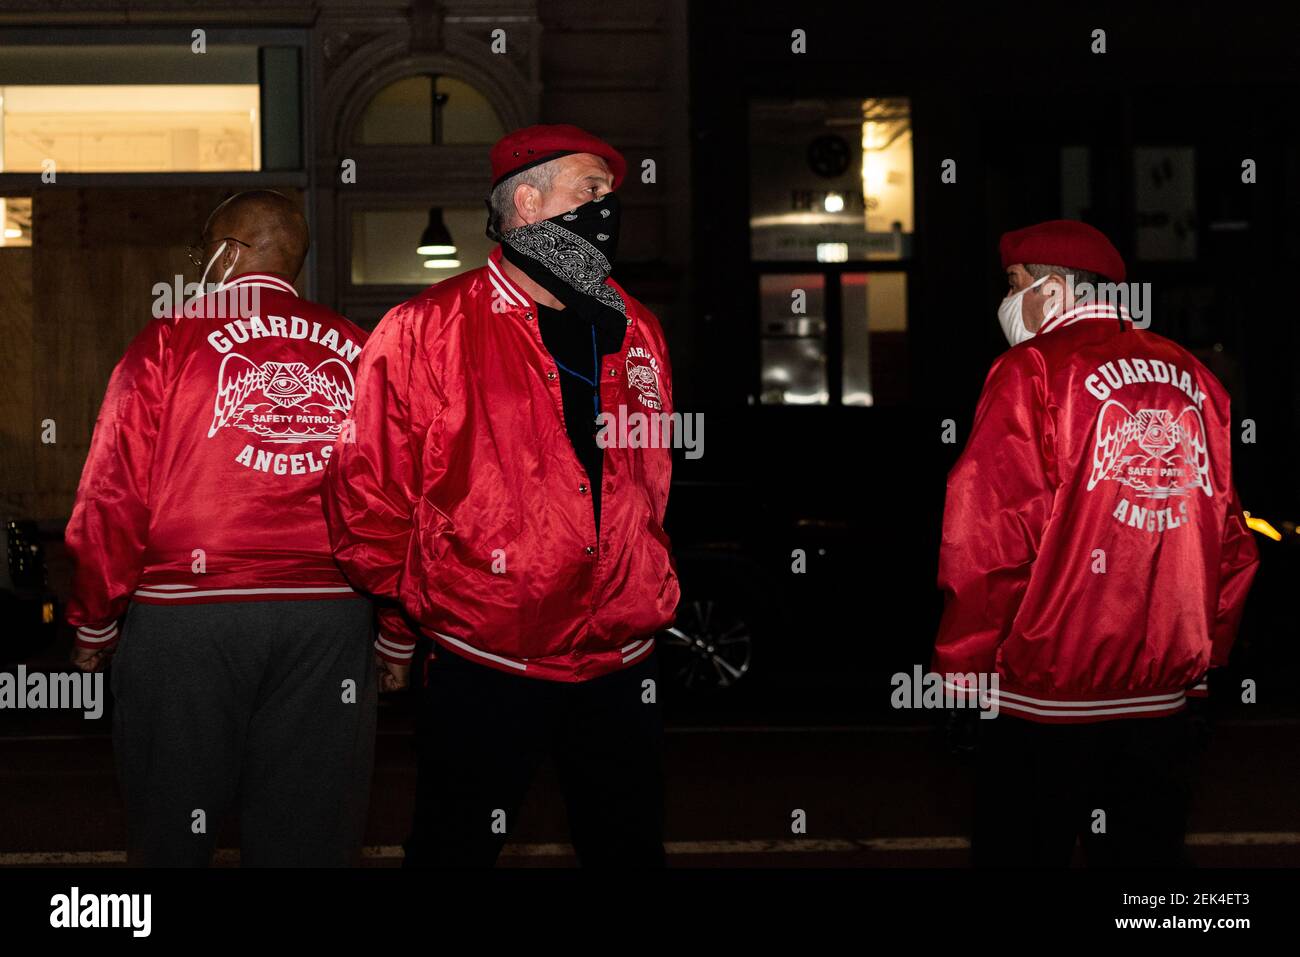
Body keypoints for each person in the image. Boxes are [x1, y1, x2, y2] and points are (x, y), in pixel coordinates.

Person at [324, 124, 678, 867]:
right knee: (454, 848)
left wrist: (638, 565)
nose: (607, 210)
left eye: (610, 197)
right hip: (488, 657)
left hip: (620, 655)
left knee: (630, 849)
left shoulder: (636, 327)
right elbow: (368, 493)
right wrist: (429, 596)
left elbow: (651, 478)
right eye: (590, 192)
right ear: (526, 201)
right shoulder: (425, 329)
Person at [66, 190, 411, 866]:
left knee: (173, 828)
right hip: (329, 617)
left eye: (204, 251)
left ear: (226, 252)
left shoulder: (166, 338)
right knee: (307, 836)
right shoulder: (359, 346)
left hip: (189, 617)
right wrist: (396, 632)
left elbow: (113, 488)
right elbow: (398, 494)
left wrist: (94, 619)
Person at [934, 219, 1259, 867]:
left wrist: (965, 680)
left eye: (1014, 284)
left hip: (1044, 699)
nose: (1007, 301)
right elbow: (1229, 540)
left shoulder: (1030, 370)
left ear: (1052, 291)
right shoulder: (1192, 375)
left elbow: (989, 538)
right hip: (1162, 700)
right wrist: (1204, 665)